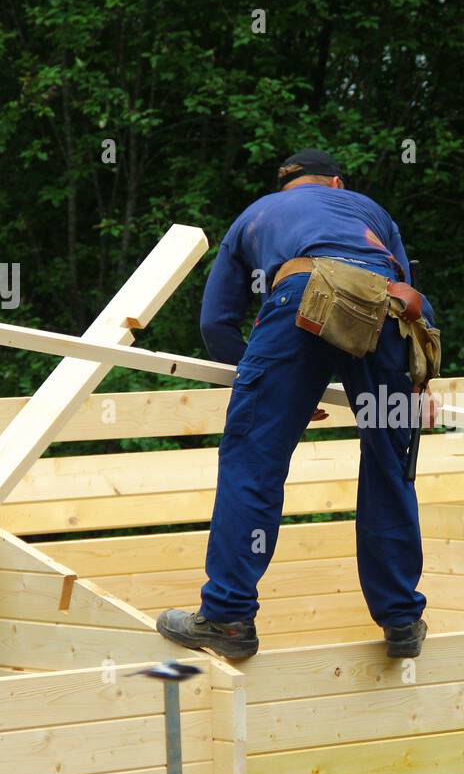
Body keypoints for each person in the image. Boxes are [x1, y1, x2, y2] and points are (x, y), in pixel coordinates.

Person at [157, 149, 435, 660]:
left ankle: (228, 618)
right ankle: (401, 620)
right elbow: (403, 288)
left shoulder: (255, 215)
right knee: (390, 465)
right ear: (335, 182)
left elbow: (216, 323)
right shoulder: (368, 209)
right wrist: (419, 386)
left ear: (285, 187)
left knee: (253, 463)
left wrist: (269, 383)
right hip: (392, 311)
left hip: (302, 300)